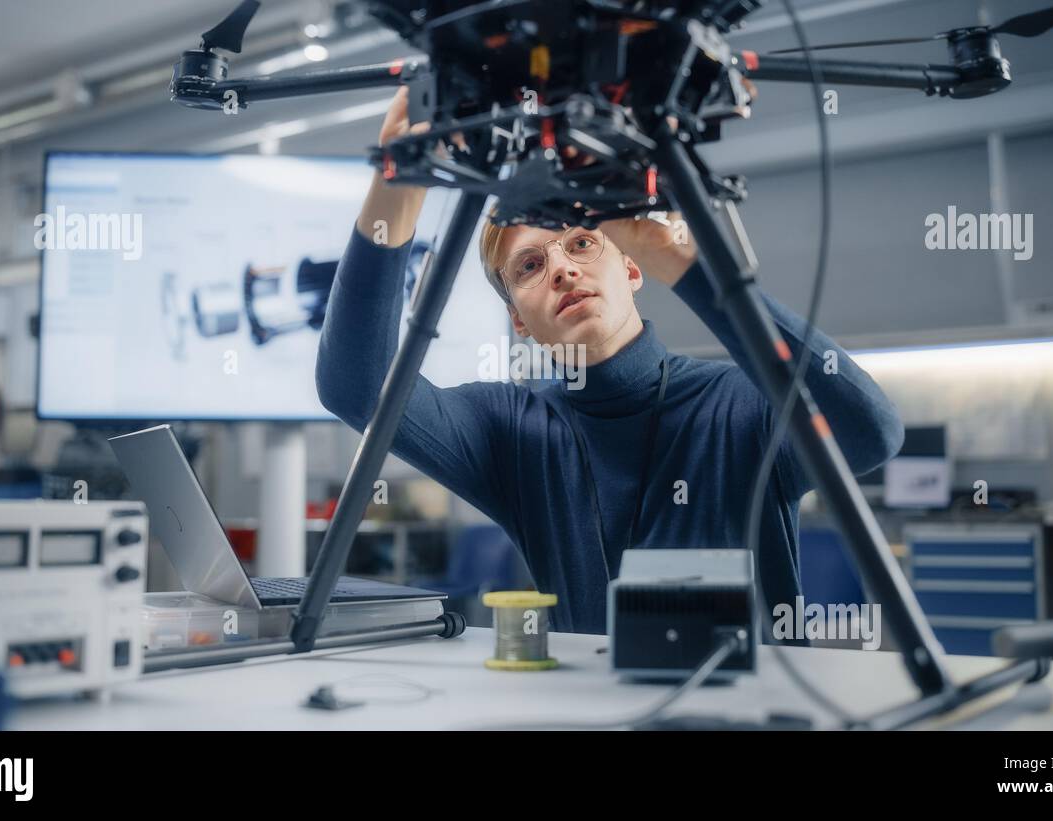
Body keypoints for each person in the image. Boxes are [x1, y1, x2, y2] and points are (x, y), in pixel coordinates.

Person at [317, 87, 904, 634]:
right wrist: (399, 180)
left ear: (631, 268)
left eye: (581, 243)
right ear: (518, 320)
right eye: (530, 266)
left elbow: (870, 431)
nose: (562, 269)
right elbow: (357, 387)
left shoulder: (742, 404)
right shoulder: (509, 431)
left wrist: (685, 264)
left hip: (751, 701)